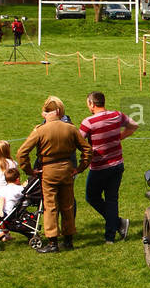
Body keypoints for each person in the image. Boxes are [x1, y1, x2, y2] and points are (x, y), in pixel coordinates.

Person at [16, 96, 92, 253]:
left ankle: (52, 243)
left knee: (50, 206)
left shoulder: (40, 130)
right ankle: (69, 240)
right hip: (67, 169)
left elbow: (22, 152)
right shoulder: (70, 128)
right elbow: (87, 149)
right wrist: (81, 167)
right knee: (68, 205)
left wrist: (29, 170)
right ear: (59, 111)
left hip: (48, 171)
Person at [79, 90, 138, 244]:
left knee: (91, 197)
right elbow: (134, 125)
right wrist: (120, 137)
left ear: (92, 104)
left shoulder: (88, 122)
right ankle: (111, 234)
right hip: (117, 164)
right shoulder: (117, 115)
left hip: (99, 166)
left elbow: (78, 141)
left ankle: (116, 225)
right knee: (112, 199)